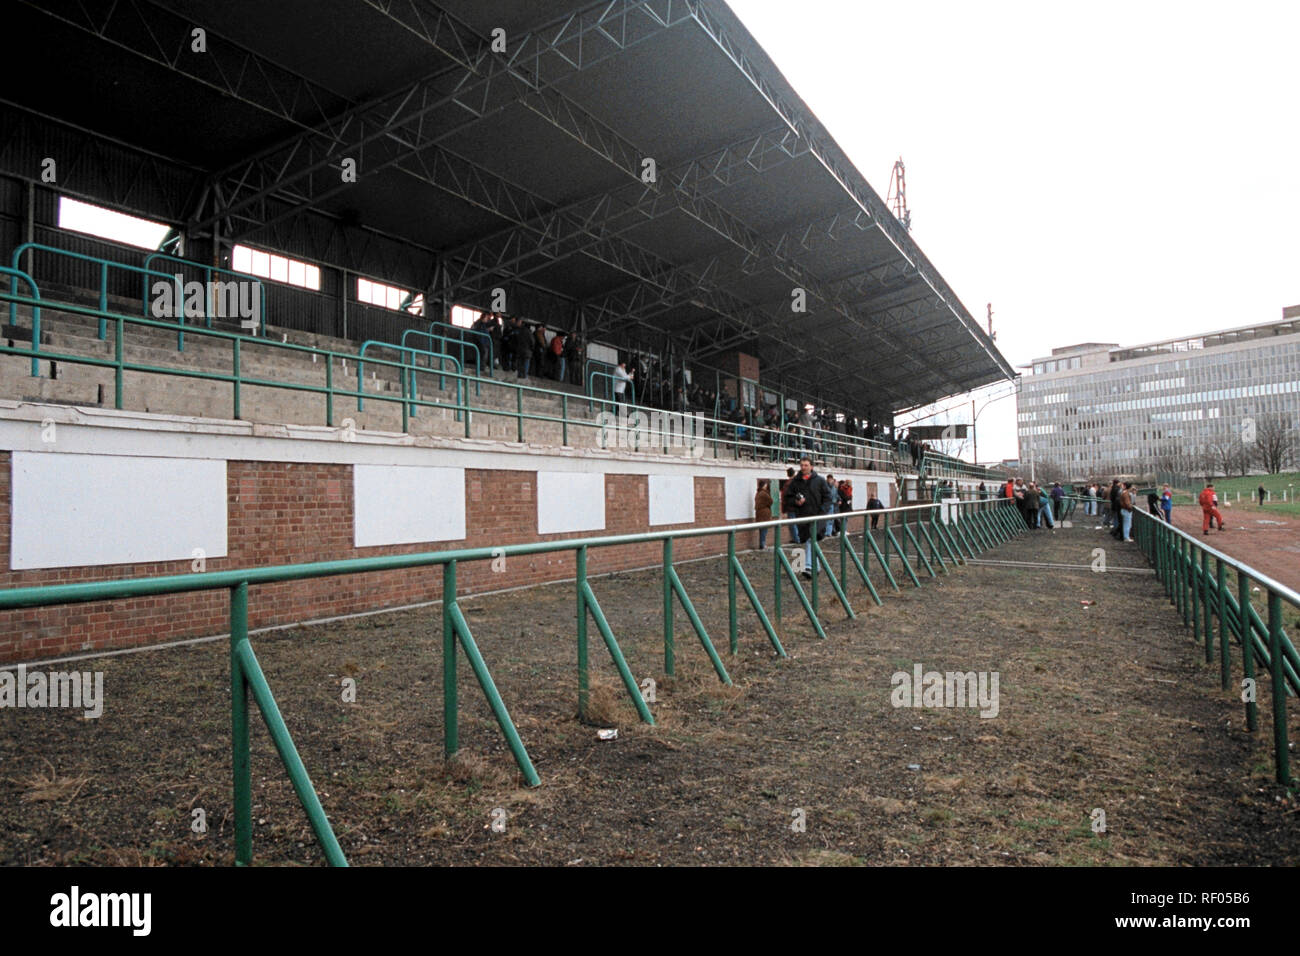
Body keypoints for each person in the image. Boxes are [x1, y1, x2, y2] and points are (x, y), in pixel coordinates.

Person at [784, 457, 831, 578]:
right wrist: (796, 502)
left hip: (818, 516)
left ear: (811, 467)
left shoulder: (820, 481)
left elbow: (828, 498)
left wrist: (823, 511)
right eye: (801, 465)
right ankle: (818, 567)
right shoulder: (795, 482)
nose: (803, 467)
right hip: (803, 516)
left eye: (806, 465)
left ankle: (809, 566)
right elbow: (788, 498)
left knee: (811, 539)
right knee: (811, 541)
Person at [754, 480, 773, 551]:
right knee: (764, 530)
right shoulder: (764, 493)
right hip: (764, 514)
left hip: (759, 514)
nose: (766, 486)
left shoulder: (758, 493)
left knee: (761, 530)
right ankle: (763, 544)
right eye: (765, 485)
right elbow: (771, 501)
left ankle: (761, 544)